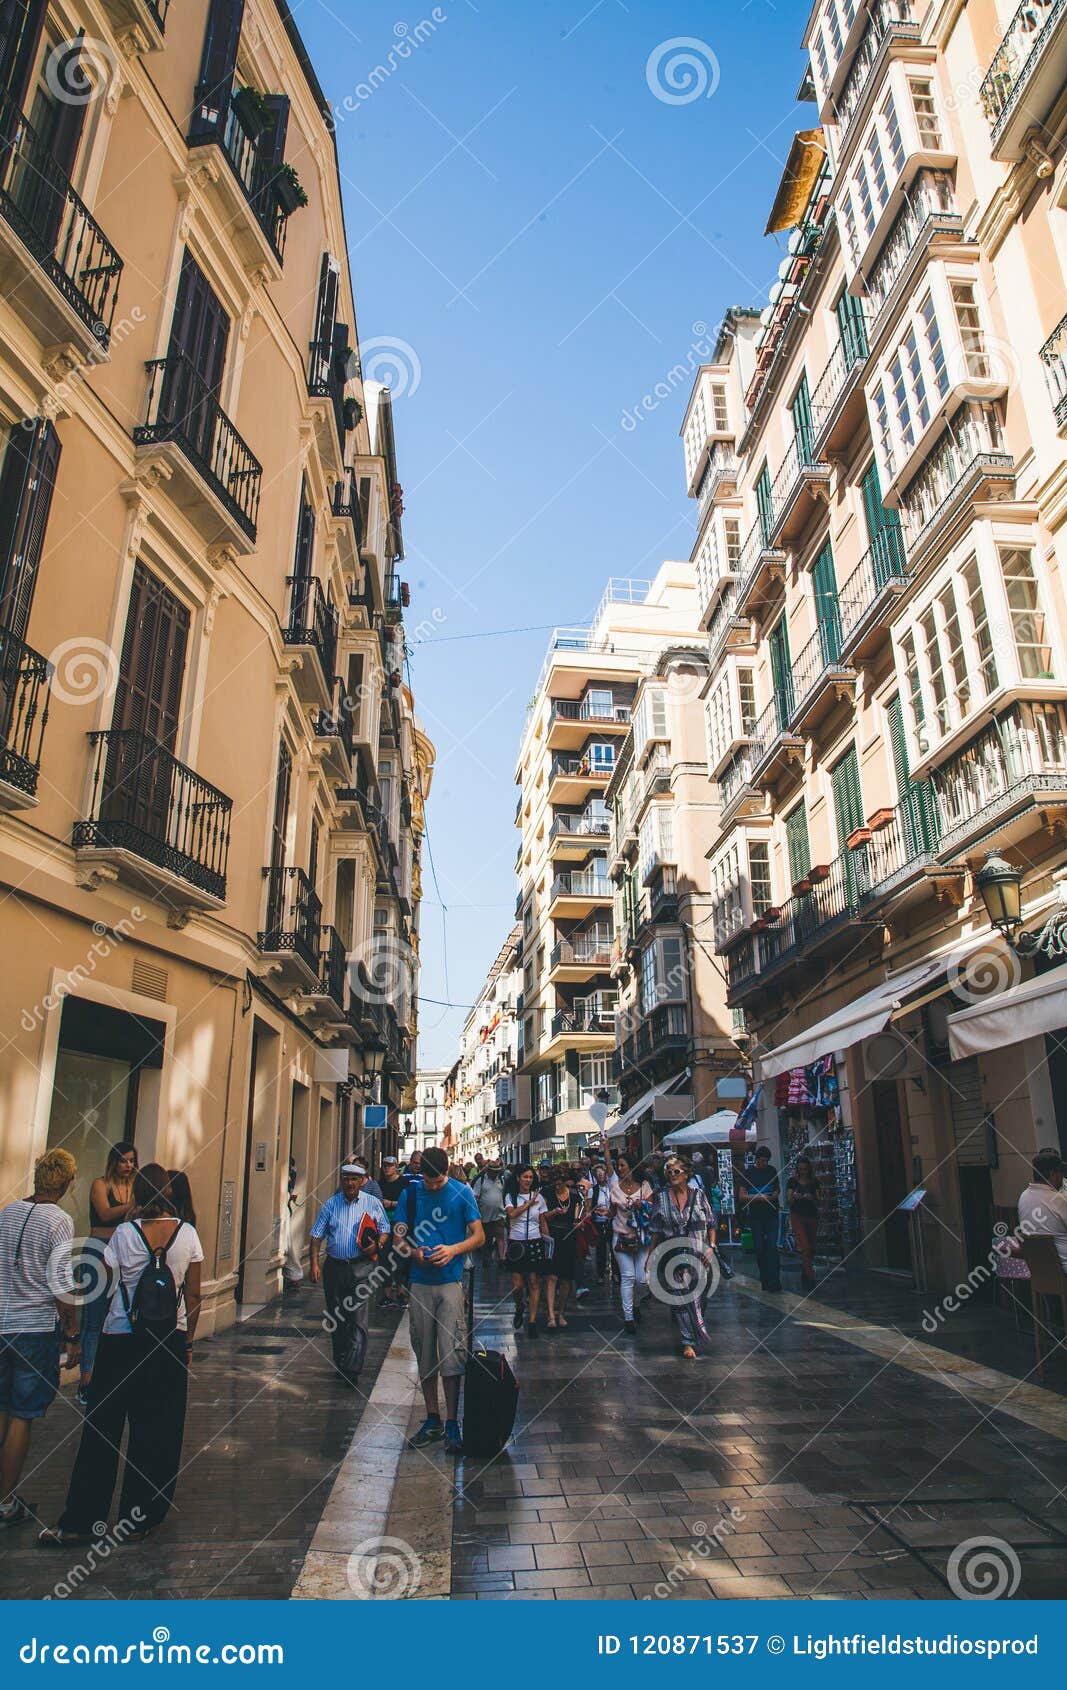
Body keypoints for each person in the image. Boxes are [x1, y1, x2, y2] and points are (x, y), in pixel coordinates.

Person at [39, 1164, 202, 1547]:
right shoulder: (189, 1234)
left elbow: (107, 1284)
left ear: (139, 1195)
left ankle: (81, 1519)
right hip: (168, 1342)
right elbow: (194, 1295)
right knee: (157, 1430)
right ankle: (140, 1518)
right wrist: (189, 1342)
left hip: (121, 1339)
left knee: (102, 1429)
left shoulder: (125, 1234)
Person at [0, 1149, 80, 1529]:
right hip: (32, 1328)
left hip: (1, 1321)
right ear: (66, 1183)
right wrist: (72, 1332)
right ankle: (4, 1500)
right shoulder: (59, 1221)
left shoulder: (8, 1213)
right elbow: (62, 1284)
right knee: (22, 1414)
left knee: (1, 1407)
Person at [393, 1146, 483, 1453]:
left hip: (450, 1283)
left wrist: (453, 1250)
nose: (432, 1186)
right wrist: (413, 1253)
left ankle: (452, 1422)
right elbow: (398, 1238)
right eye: (428, 1181)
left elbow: (479, 1235)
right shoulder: (411, 1195)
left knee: (452, 1353)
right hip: (419, 1283)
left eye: (437, 1181)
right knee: (425, 1351)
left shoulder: (461, 1193)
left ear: (445, 1172)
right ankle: (432, 1417)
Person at [309, 1162, 389, 1384]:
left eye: (354, 1179)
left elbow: (385, 1230)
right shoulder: (331, 1205)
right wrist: (314, 1263)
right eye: (346, 1179)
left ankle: (353, 1368)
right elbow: (316, 1236)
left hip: (362, 1267)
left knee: (357, 1317)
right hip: (334, 1267)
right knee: (337, 1316)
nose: (349, 1183)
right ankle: (342, 1361)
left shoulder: (372, 1204)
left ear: (362, 1181)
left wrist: (377, 1246)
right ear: (341, 1181)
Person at [77, 1141, 137, 1406]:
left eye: (131, 1161)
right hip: (98, 1251)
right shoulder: (100, 1185)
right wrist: (132, 1206)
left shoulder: (133, 1186)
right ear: (114, 1162)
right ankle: (86, 1380)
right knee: (94, 1319)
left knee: (119, 1315)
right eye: (123, 1161)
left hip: (122, 1253)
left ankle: (110, 1375)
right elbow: (103, 1212)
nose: (128, 1166)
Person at [648, 1156, 718, 1360]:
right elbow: (655, 1229)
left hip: (700, 1255)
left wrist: (711, 1247)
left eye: (676, 1171)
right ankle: (688, 1342)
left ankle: (696, 1329)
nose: (671, 1174)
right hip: (674, 1257)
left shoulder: (699, 1195)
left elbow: (712, 1223)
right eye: (668, 1171)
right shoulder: (661, 1198)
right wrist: (651, 1254)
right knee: (680, 1300)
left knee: (699, 1299)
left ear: (687, 1174)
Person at [610, 1154, 653, 1334]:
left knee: (641, 1279)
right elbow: (612, 1212)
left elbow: (652, 1209)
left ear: (631, 1167)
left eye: (622, 1165)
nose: (619, 1168)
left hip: (642, 1238)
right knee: (628, 1277)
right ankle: (628, 1318)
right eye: (618, 1165)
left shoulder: (644, 1187)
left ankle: (636, 1303)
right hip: (620, 1237)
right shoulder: (614, 1188)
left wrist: (641, 1205)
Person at [505, 1166, 549, 1338]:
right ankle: (519, 1305)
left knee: (534, 1281)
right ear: (518, 1178)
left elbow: (543, 1220)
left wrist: (547, 1242)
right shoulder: (511, 1197)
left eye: (531, 1177)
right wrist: (527, 1205)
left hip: (534, 1240)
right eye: (525, 1177)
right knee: (517, 1286)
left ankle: (531, 1321)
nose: (528, 1180)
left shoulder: (540, 1198)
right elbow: (512, 1215)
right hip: (516, 1242)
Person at [543, 1169, 585, 1329]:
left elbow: (581, 1214)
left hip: (569, 1236)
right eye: (555, 1183)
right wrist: (553, 1212)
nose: (557, 1186)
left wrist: (579, 1222)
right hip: (554, 1237)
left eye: (560, 1183)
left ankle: (561, 1312)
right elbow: (543, 1216)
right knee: (552, 1277)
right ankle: (551, 1315)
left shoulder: (574, 1195)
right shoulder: (548, 1194)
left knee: (566, 1278)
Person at [738, 1146, 781, 1292]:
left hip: (771, 1213)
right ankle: (765, 1278)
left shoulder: (772, 1170)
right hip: (756, 1215)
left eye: (767, 1161)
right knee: (760, 1248)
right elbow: (742, 1196)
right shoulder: (748, 1173)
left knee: (772, 1247)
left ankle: (774, 1280)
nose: (765, 1164)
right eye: (762, 1161)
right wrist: (759, 1198)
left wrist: (774, 1195)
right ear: (757, 1160)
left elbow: (777, 1189)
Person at [1018, 1151, 1067, 1271]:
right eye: (1061, 1173)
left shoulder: (1023, 1197)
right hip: (1063, 1269)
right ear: (1053, 1173)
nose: (1063, 1178)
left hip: (1039, 1271)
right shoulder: (1059, 1199)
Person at [378, 1155, 410, 1308]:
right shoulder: (380, 1184)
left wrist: (390, 1203)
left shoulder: (404, 1182)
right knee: (384, 1259)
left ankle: (401, 1293)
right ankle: (386, 1295)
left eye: (390, 1165)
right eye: (385, 1165)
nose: (387, 1168)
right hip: (383, 1225)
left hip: (400, 1225)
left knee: (400, 1258)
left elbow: (407, 1202)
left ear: (396, 1166)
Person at [786, 1156, 820, 1291]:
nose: (803, 1172)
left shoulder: (814, 1182)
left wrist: (812, 1198)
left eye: (805, 1169)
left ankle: (805, 1272)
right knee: (805, 1247)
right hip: (797, 1216)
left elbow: (819, 1199)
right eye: (800, 1169)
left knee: (811, 1247)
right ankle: (811, 1277)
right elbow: (788, 1201)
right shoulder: (792, 1182)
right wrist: (794, 1196)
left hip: (812, 1216)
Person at [471, 1159, 508, 1269]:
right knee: (486, 1238)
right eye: (493, 1171)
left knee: (500, 1236)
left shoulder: (501, 1180)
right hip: (484, 1215)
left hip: (499, 1214)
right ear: (489, 1171)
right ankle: (486, 1258)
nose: (495, 1173)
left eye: (497, 1171)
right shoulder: (481, 1180)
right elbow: (476, 1196)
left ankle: (502, 1259)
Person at [589, 1163, 615, 1284]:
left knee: (614, 1248)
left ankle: (616, 1273)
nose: (600, 1175)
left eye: (602, 1173)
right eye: (597, 1173)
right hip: (598, 1222)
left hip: (611, 1221)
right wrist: (595, 1211)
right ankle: (600, 1274)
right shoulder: (593, 1190)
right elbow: (589, 1208)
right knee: (601, 1249)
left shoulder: (612, 1188)